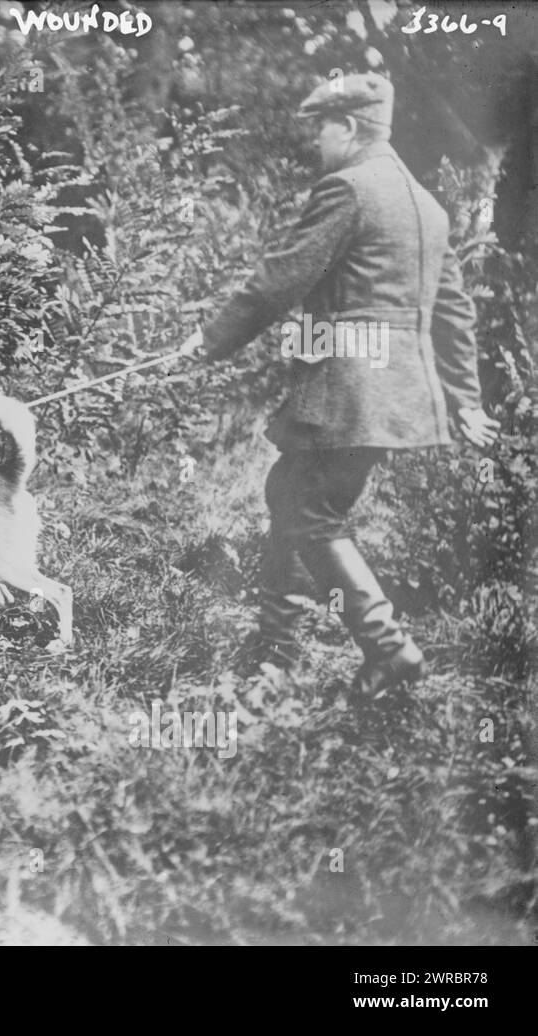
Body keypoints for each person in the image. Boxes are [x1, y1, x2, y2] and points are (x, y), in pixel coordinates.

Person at [178, 73, 499, 698]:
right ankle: (278, 648)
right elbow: (455, 311)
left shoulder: (348, 189)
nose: (316, 142)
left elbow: (278, 281)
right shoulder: (426, 206)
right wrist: (465, 399)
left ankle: (387, 648)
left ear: (348, 128)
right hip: (396, 397)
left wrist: (208, 342)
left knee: (311, 512)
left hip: (346, 387)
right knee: (294, 497)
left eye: (320, 129)